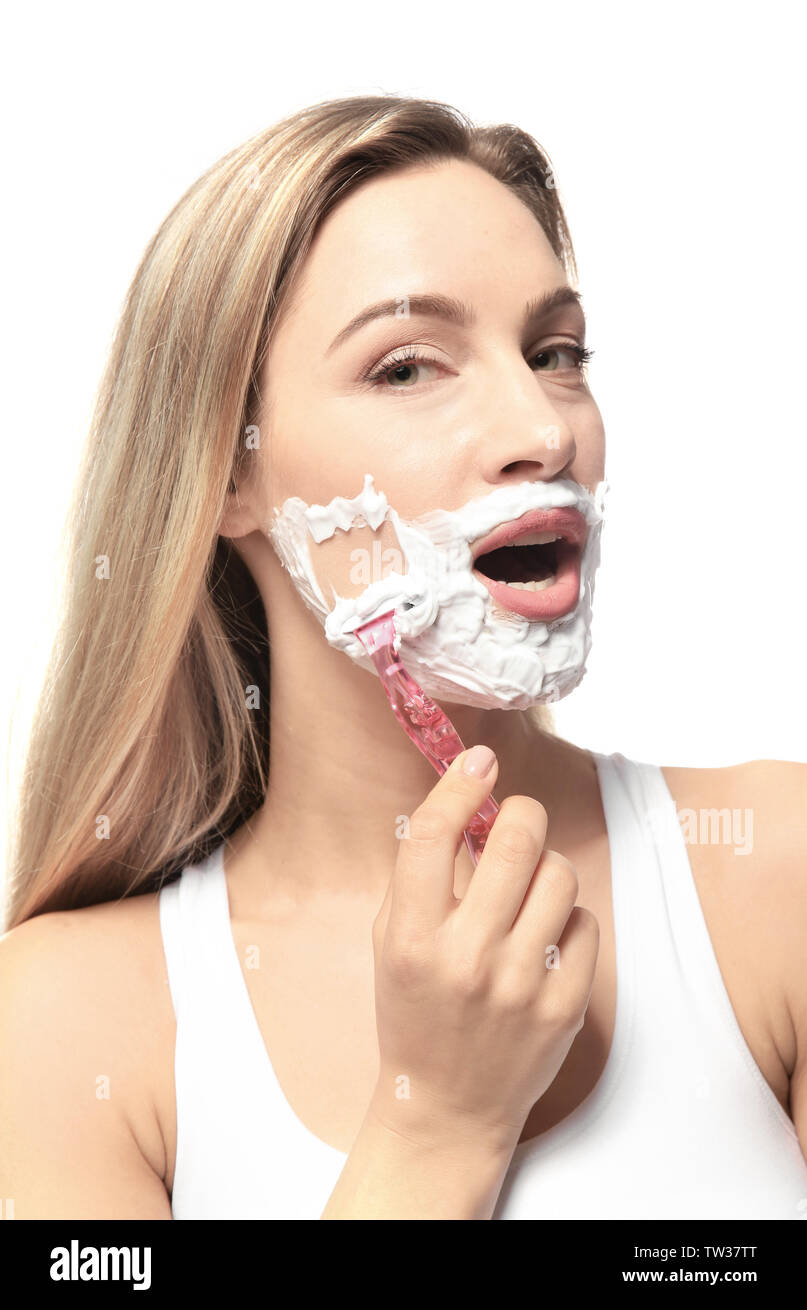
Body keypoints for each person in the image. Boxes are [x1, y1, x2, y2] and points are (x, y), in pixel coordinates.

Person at [2, 95, 806, 1221]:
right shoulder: (61, 1025)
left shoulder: (778, 872)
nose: (544, 431)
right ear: (225, 473)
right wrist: (437, 1127)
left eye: (555, 353)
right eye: (408, 368)